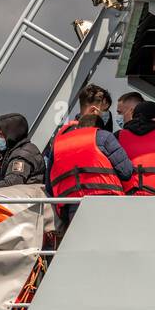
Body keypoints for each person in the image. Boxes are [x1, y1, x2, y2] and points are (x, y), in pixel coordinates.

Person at [46, 85, 133, 217]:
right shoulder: (103, 137)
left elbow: (49, 185)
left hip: (71, 210)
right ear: (94, 110)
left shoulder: (59, 140)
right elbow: (126, 172)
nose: (107, 115)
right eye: (105, 110)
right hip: (106, 206)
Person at [0, 113, 46, 188]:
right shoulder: (12, 150)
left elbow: (11, 183)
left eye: (1, 135)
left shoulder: (22, 154)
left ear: (12, 135)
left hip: (21, 196)